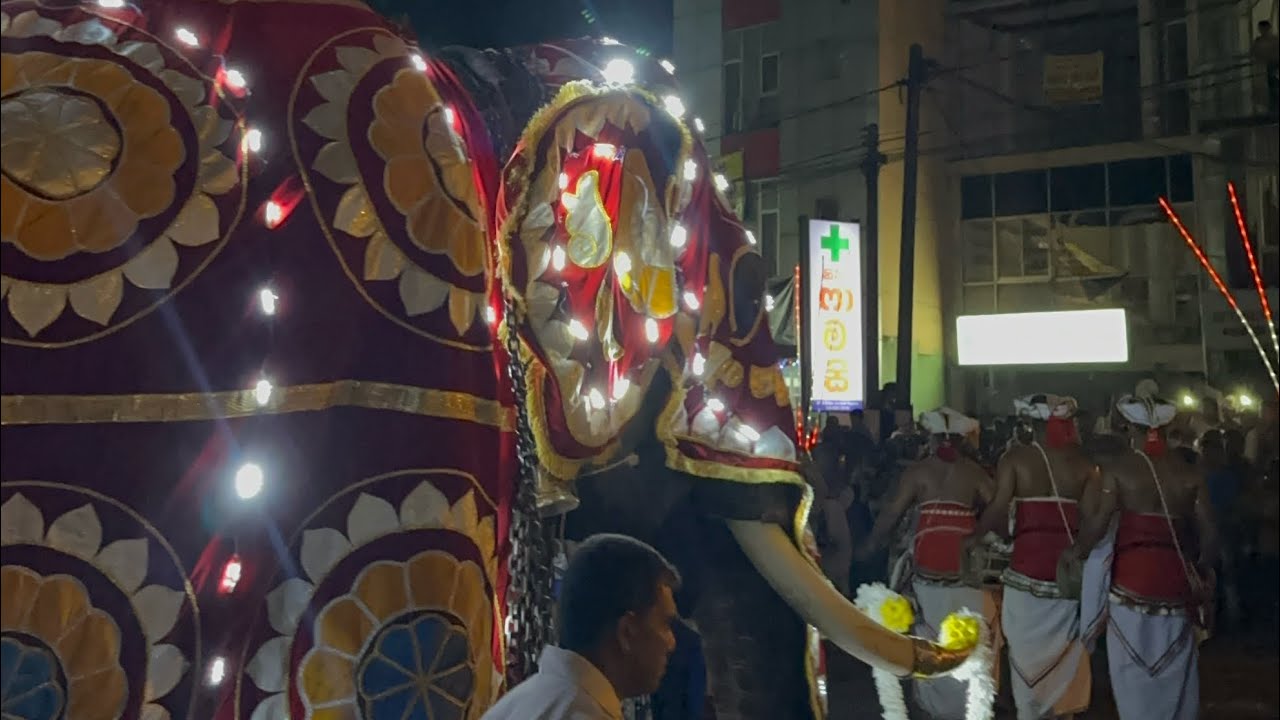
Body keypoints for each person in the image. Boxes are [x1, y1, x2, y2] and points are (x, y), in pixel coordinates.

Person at [1072, 394, 1216, 720]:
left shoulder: (1119, 470)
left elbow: (1099, 524)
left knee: (1133, 673)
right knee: (1174, 668)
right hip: (1175, 584)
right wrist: (1202, 572)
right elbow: (1209, 533)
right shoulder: (1189, 473)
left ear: (1130, 429)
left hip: (1130, 584)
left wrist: (1078, 550)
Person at [855, 407, 1000, 720]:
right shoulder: (974, 472)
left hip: (930, 567)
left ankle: (937, 709)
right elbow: (998, 509)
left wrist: (869, 545)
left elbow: (891, 514)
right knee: (968, 636)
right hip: (963, 568)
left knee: (930, 638)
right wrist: (976, 534)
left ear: (931, 439)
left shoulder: (918, 472)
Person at [972, 394, 1093, 719]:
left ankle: (1030, 711)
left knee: (1024, 652)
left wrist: (982, 538)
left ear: (1031, 425)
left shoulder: (1016, 458)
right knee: (1064, 651)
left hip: (1025, 567)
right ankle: (1060, 711)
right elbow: (1093, 522)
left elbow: (997, 511)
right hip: (1065, 572)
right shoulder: (1083, 463)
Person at [482, 534, 680, 720]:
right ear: (626, 632)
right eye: (665, 625)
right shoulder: (583, 713)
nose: (671, 643)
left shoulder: (522, 702)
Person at [1253, 20, 1279, 114]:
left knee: (1273, 87)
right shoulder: (1262, 41)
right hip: (1268, 67)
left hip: (1273, 66)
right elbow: (1255, 52)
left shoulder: (1273, 40)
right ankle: (1273, 109)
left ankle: (1274, 109)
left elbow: (1256, 52)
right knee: (1271, 88)